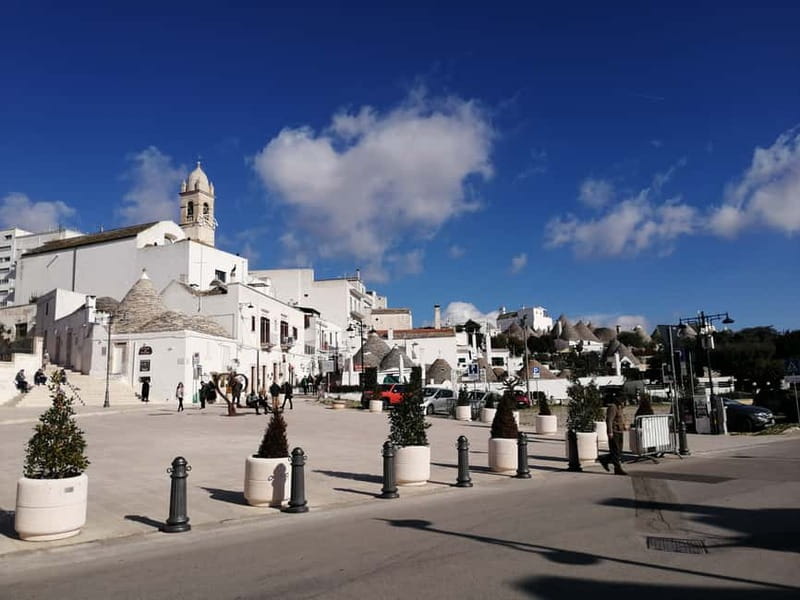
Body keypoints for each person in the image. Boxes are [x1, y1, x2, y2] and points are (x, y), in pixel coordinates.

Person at [599, 395, 627, 475]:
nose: (624, 402)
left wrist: (624, 425)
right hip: (614, 431)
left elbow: (621, 418)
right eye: (623, 400)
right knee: (615, 451)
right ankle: (617, 469)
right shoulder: (612, 407)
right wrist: (610, 432)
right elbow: (609, 420)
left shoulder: (620, 407)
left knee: (619, 451)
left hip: (620, 431)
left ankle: (604, 459)